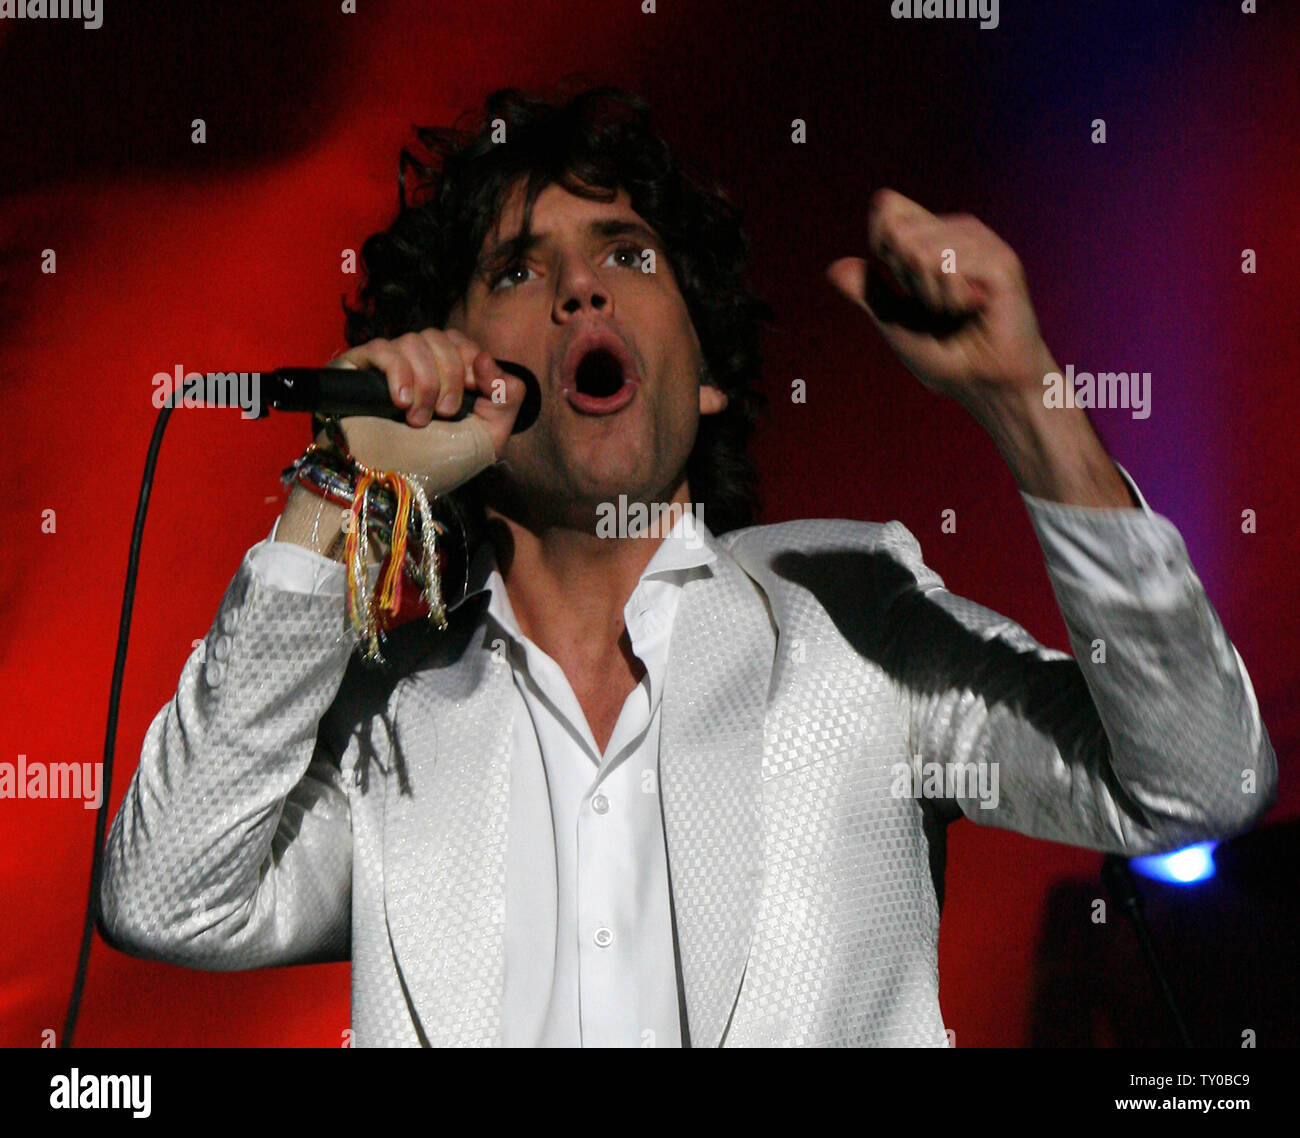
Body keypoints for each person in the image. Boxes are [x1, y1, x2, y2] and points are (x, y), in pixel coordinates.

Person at [97, 85, 1277, 1047]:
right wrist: (343, 486)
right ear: (461, 370)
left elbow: (1196, 784)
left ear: (704, 373)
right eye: (516, 272)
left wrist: (1027, 401)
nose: (578, 287)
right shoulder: (393, 725)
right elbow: (164, 893)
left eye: (628, 255)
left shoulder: (850, 618)